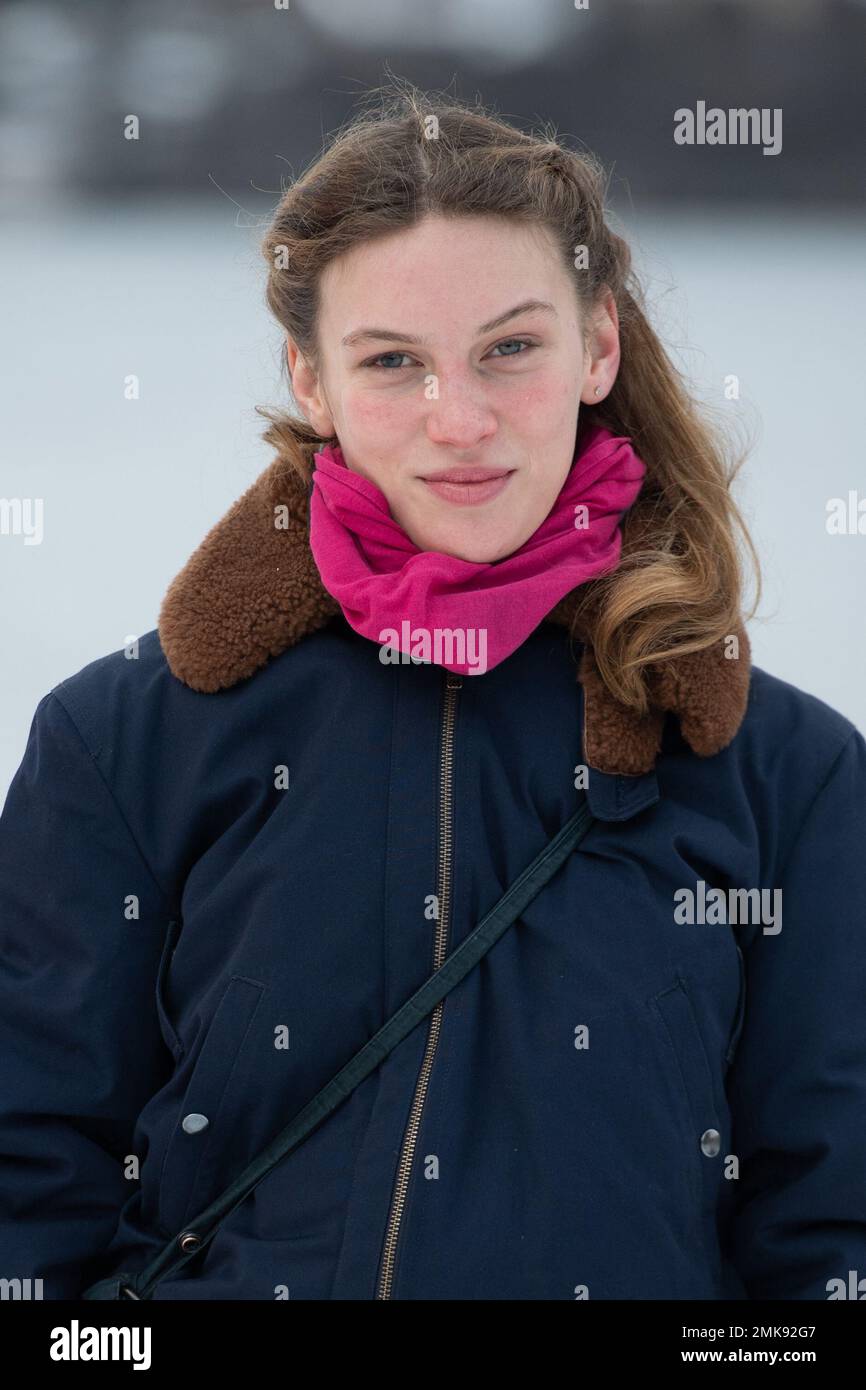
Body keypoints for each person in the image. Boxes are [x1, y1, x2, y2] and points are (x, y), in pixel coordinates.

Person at [1, 82, 864, 1302]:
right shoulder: (122, 740)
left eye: (509, 347)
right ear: (312, 380)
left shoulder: (786, 773)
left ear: (597, 345)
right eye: (392, 361)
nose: (456, 420)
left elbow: (827, 1225)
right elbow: (26, 1180)